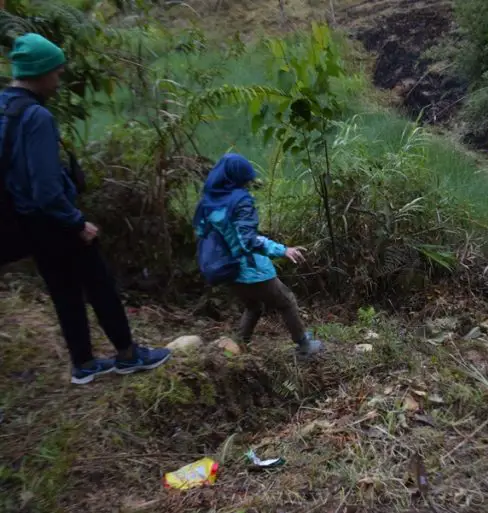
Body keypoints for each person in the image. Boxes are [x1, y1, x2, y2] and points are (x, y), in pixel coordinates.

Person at [0, 33, 170, 384]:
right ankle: (128, 354)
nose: (59, 80)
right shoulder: (36, 118)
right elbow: (46, 187)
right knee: (99, 284)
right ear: (40, 72)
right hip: (52, 219)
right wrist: (76, 222)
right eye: (56, 73)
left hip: (24, 219)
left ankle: (84, 363)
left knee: (62, 290)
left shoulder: (4, 106)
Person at [192, 153, 324, 358]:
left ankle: (239, 344)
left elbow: (202, 232)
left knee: (253, 306)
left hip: (227, 270)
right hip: (251, 270)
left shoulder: (208, 201)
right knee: (286, 300)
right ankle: (304, 345)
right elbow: (248, 240)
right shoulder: (240, 201)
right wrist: (282, 250)